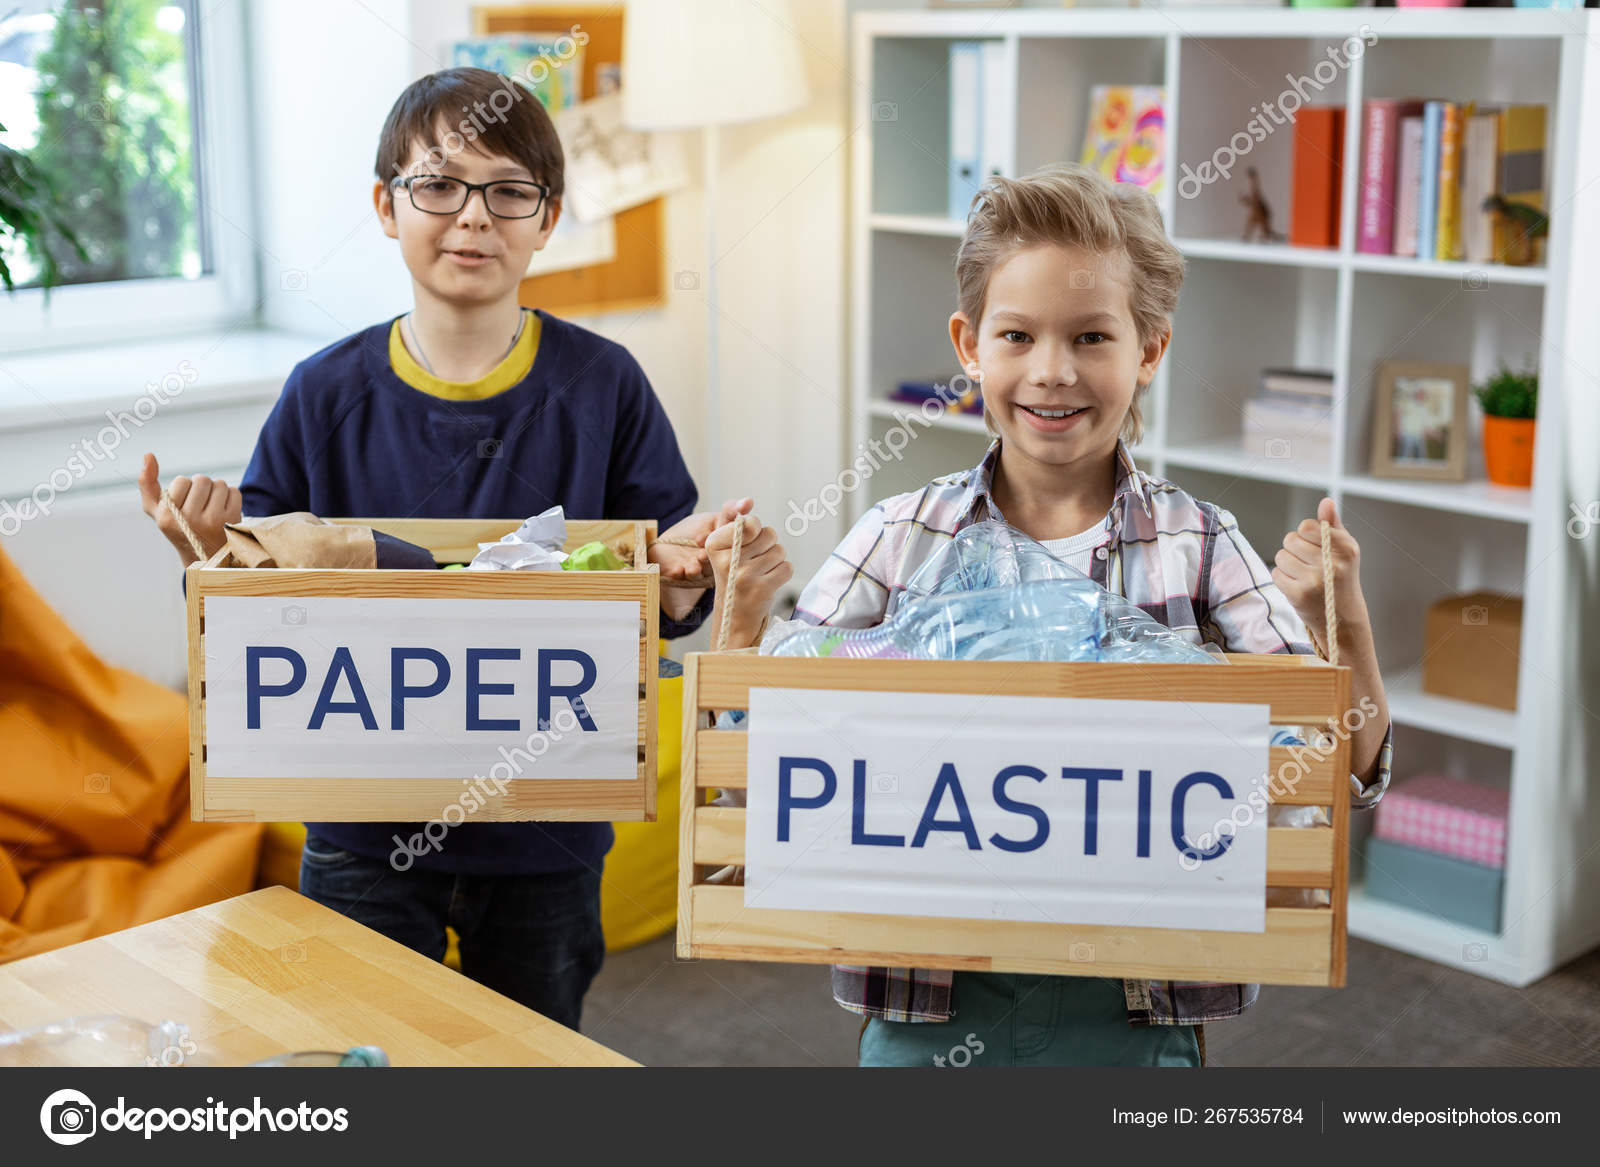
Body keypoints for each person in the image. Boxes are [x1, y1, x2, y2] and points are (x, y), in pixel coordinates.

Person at [136, 67, 790, 1030]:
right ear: (386, 206)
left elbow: (656, 594)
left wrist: (692, 571)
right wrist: (205, 550)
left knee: (531, 1054)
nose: (473, 216)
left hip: (547, 832)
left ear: (548, 218)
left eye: (508, 191)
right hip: (360, 825)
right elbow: (254, 594)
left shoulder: (605, 384)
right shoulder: (322, 392)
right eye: (438, 185)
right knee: (360, 1049)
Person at [787, 164, 1393, 1067]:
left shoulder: (1201, 544)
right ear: (969, 345)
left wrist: (1347, 624)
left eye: (1092, 336)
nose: (1052, 371)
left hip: (1133, 1003)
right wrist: (743, 620)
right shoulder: (898, 535)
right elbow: (775, 729)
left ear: (1149, 350)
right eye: (1018, 335)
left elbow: (1343, 767)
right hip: (930, 997)